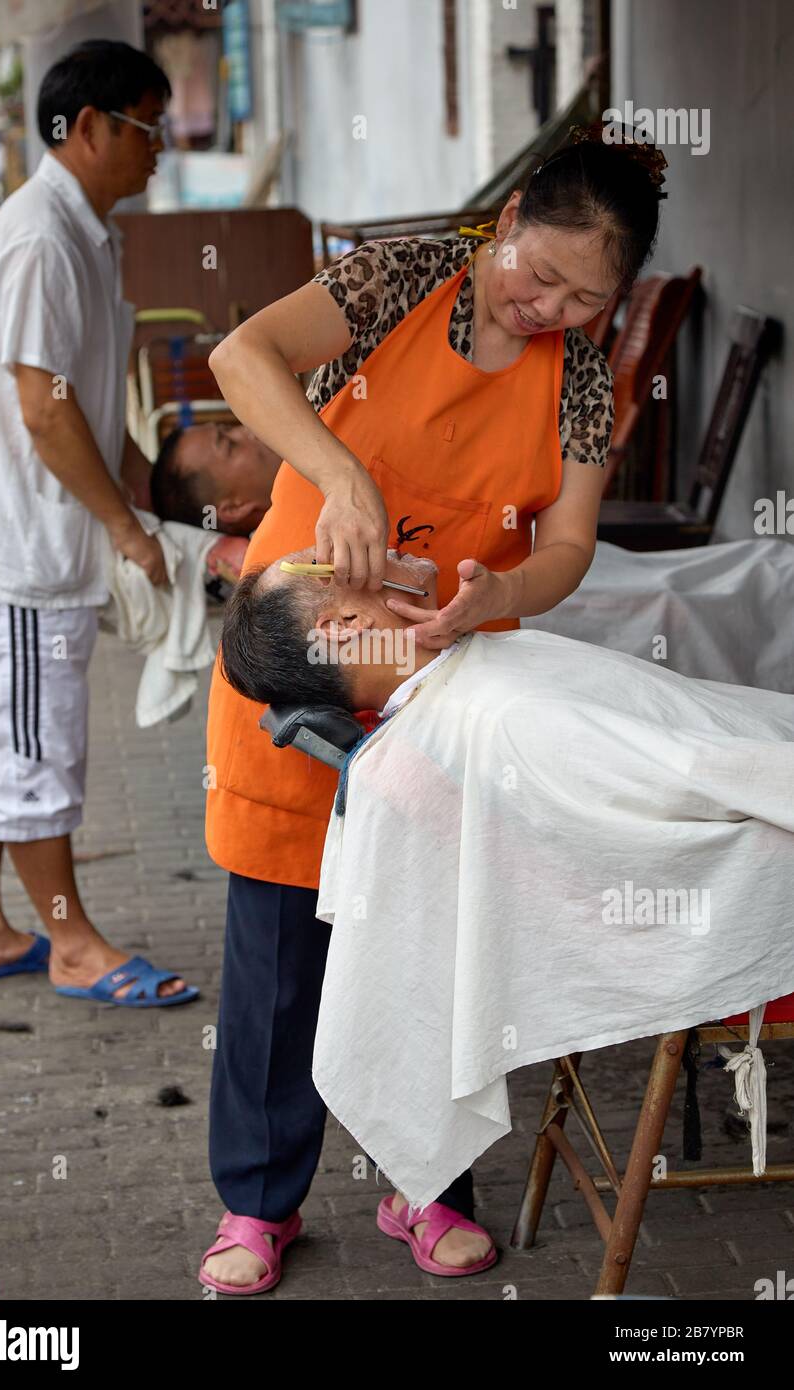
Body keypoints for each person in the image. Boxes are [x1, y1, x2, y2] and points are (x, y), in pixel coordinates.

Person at [200, 123, 669, 1291]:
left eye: (585, 297)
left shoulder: (576, 384)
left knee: (429, 942)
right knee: (275, 952)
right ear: (504, 221)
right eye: (539, 272)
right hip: (308, 645)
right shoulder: (402, 274)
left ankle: (428, 1186)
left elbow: (566, 542)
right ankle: (258, 1205)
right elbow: (241, 358)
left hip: (441, 675)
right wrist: (341, 472)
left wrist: (504, 589)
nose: (551, 307)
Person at [215, 544, 794, 1225]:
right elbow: (719, 778)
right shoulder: (501, 715)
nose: (379, 547)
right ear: (340, 626)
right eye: (327, 560)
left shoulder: (473, 697)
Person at [0, 40, 197, 1008]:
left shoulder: (84, 230)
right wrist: (125, 527)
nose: (157, 150)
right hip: (15, 553)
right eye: (145, 129)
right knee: (29, 753)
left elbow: (84, 390)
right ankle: (70, 938)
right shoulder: (43, 236)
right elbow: (44, 408)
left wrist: (139, 483)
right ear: (85, 129)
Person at [149, 421, 280, 536]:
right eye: (231, 445)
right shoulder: (290, 558)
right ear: (234, 508)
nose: (248, 429)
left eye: (229, 428)